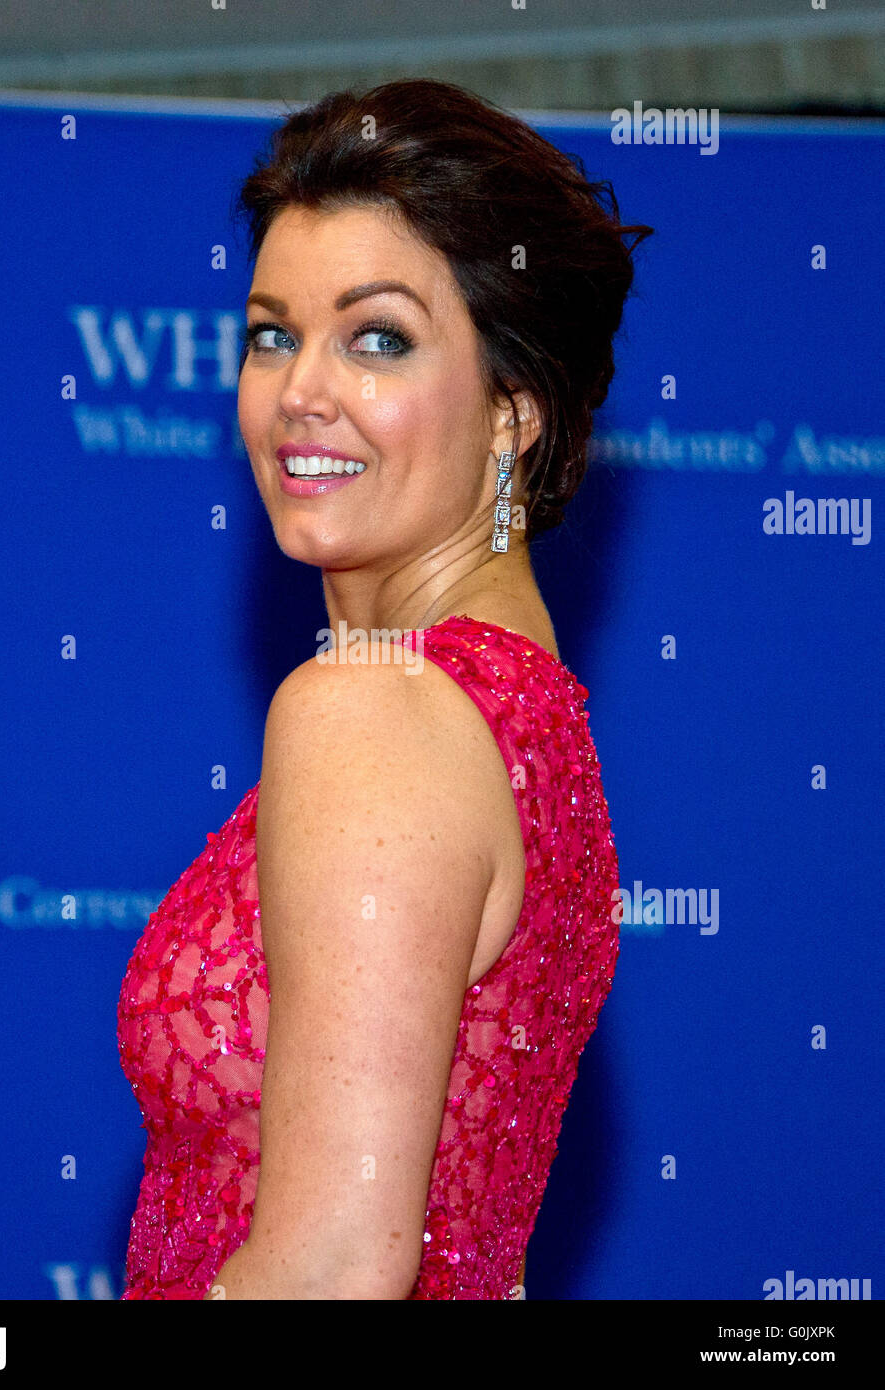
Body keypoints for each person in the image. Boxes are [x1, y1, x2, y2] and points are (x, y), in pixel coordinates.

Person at [117, 78, 653, 1300]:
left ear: (512, 412)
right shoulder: (527, 721)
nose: (300, 389)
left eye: (377, 338)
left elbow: (336, 1266)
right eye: (271, 334)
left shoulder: (371, 705)